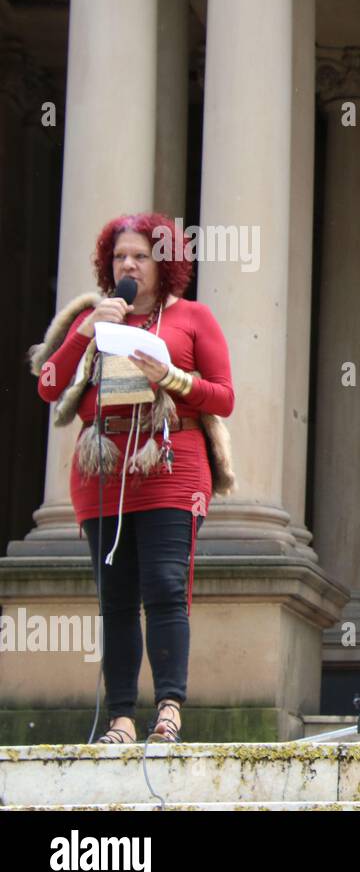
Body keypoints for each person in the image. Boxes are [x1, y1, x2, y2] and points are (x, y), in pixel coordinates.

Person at [30, 212, 235, 744]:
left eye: (140, 256)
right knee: (114, 597)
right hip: (103, 465)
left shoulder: (192, 317)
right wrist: (87, 332)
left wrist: (171, 377)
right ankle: (120, 716)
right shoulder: (94, 319)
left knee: (165, 585)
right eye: (120, 256)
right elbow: (49, 386)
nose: (128, 264)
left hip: (171, 461)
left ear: (162, 263)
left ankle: (169, 708)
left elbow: (224, 397)